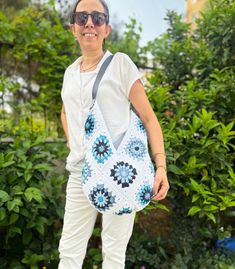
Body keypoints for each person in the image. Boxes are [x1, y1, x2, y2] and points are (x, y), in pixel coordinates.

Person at [58, 0, 170, 268]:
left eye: (97, 18)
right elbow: (65, 111)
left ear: (106, 28)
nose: (89, 24)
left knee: (114, 254)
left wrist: (161, 166)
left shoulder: (120, 64)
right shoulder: (70, 73)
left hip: (120, 173)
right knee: (69, 253)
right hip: (79, 173)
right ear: (73, 27)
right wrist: (75, 143)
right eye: (82, 17)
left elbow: (148, 117)